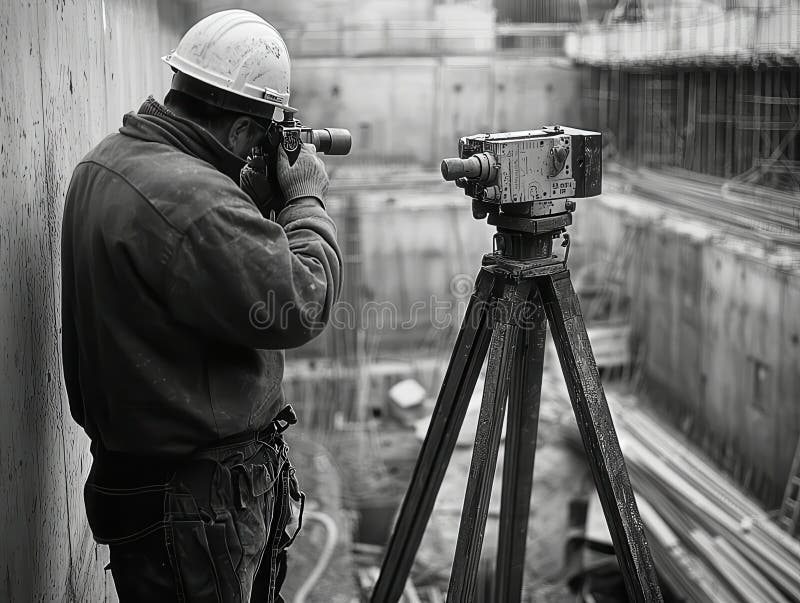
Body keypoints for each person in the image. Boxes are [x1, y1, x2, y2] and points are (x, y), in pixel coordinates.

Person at [60, 9, 342, 602]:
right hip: (195, 503)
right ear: (242, 133)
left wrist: (250, 203)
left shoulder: (107, 163)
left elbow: (194, 276)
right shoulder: (194, 201)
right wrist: (305, 199)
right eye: (259, 138)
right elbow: (303, 301)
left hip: (146, 486)